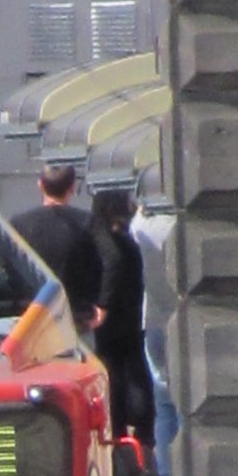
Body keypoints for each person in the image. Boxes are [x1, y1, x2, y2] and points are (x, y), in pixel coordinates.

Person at [90, 187, 156, 459]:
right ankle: (143, 430)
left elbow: (112, 263)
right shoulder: (129, 240)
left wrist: (102, 303)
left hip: (113, 320)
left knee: (113, 373)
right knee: (136, 371)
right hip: (132, 315)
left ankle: (119, 429)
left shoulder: (106, 239)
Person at [10, 162, 105, 332]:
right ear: (72, 188)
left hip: (30, 316)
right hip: (75, 315)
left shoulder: (18, 224)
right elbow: (105, 262)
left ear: (40, 185)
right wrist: (101, 303)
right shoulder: (87, 222)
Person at [131, 199, 181, 476]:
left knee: (163, 405)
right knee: (189, 405)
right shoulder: (179, 225)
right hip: (183, 322)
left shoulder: (140, 226)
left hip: (152, 323)